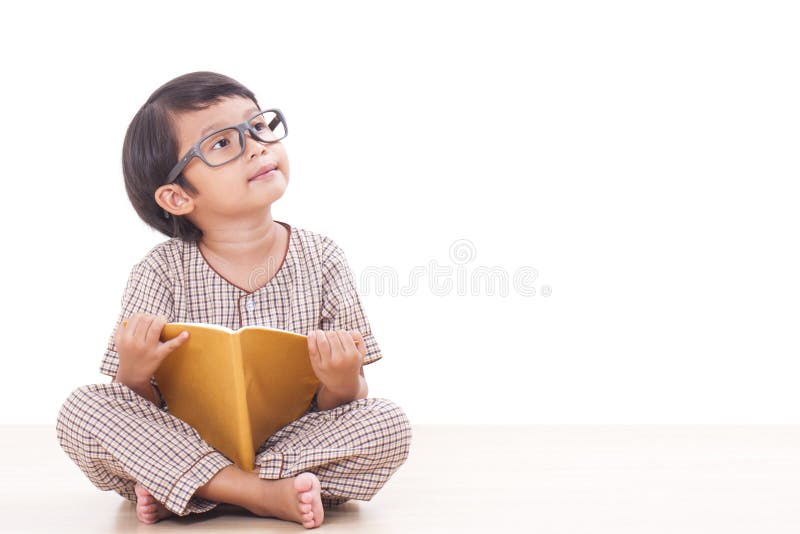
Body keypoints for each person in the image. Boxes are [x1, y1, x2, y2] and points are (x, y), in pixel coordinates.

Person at [56, 71, 412, 529]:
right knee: (83, 409)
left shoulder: (322, 257)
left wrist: (342, 381)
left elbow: (348, 401)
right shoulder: (160, 271)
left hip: (290, 444)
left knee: (387, 425)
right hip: (179, 439)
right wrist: (135, 371)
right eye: (223, 144)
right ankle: (260, 494)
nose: (258, 146)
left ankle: (195, 490)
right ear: (177, 196)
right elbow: (132, 401)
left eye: (258, 127)